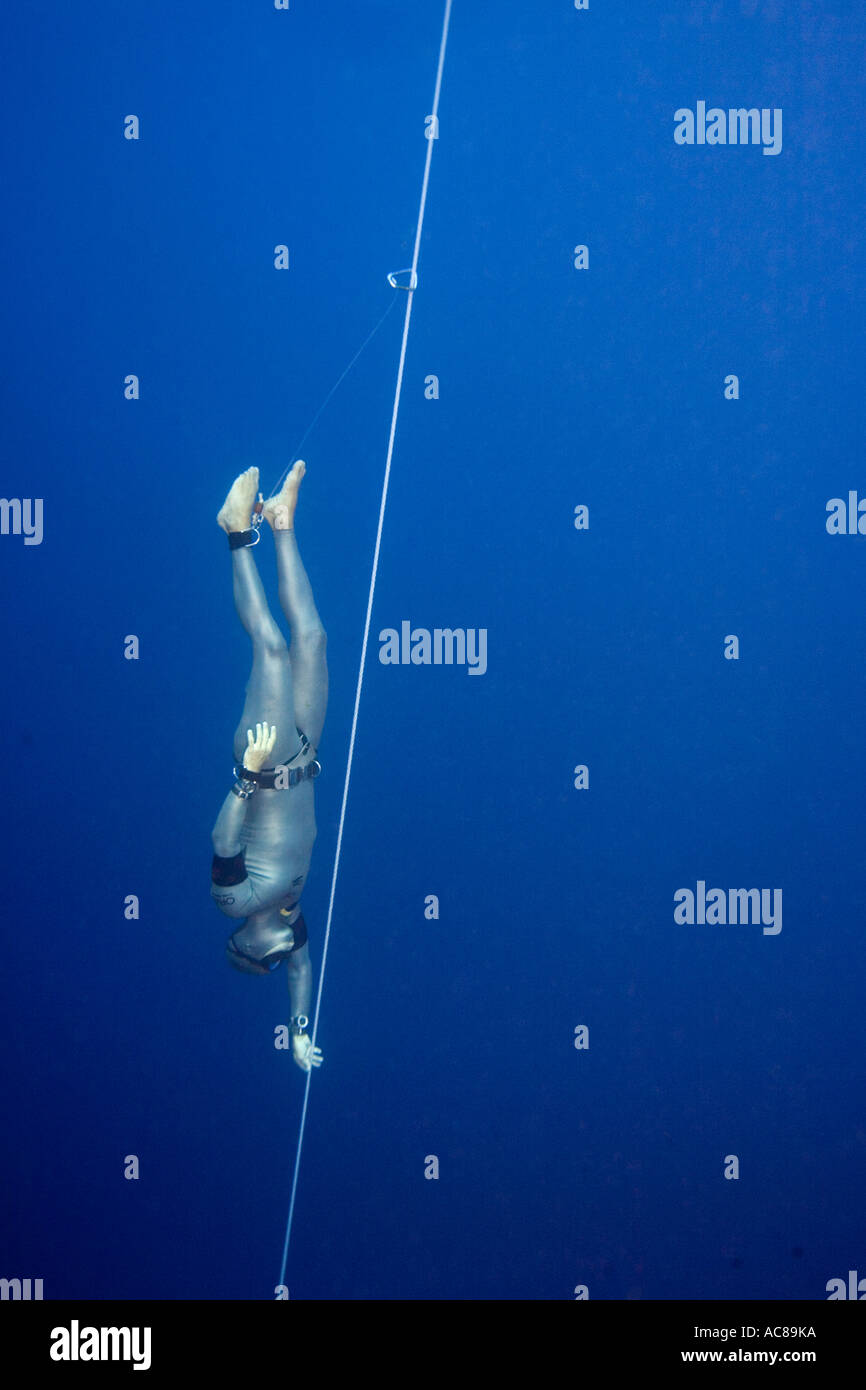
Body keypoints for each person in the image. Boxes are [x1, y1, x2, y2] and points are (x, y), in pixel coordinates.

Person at [210, 460, 326, 1072]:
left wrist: (247, 775)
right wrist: (299, 1033)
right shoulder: (290, 916)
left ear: (248, 949)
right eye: (286, 956)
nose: (290, 954)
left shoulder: (235, 905)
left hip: (263, 756)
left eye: (275, 957)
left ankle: (235, 532)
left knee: (273, 650)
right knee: (311, 640)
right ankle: (281, 523)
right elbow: (302, 974)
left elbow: (222, 839)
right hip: (305, 753)